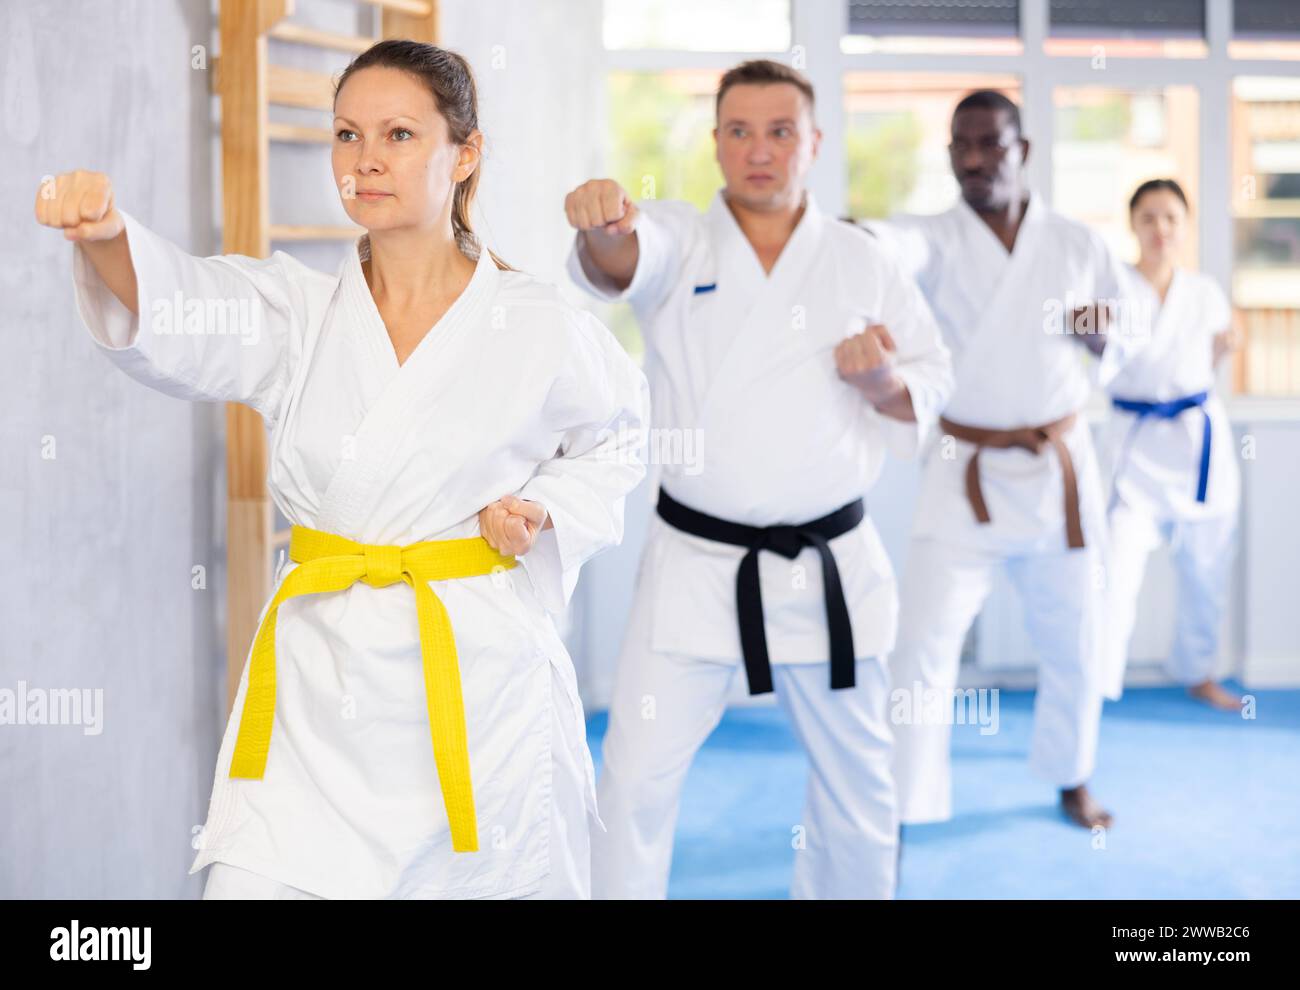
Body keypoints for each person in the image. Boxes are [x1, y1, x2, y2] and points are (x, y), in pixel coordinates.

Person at [38, 40, 649, 899]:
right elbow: (185, 309)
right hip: (317, 692)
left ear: (464, 153)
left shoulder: (536, 321)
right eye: (345, 134)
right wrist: (107, 237)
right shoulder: (300, 310)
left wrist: (544, 509)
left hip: (476, 686)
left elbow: (620, 437)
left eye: (399, 135)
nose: (365, 160)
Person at [565, 59, 953, 899]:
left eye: (781, 131)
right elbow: (622, 257)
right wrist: (602, 227)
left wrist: (884, 386)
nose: (760, 150)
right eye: (739, 131)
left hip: (829, 571)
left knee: (860, 794)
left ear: (814, 143)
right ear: (716, 144)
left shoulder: (862, 259)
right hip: (696, 566)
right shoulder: (678, 237)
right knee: (631, 782)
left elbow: (934, 373)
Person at [864, 90, 1135, 831]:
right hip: (964, 467)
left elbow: (1126, 333)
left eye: (991, 144)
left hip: (1058, 470)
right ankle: (905, 802)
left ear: (1026, 150)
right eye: (961, 146)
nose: (975, 160)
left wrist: (1103, 334)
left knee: (1077, 641)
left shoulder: (1079, 243)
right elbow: (892, 244)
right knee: (920, 643)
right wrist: (852, 236)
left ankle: (1071, 775)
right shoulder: (937, 237)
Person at [1100, 179, 1242, 711]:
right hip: (1134, 448)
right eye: (1149, 218)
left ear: (1186, 226)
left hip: (1198, 448)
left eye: (1171, 218)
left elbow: (1208, 359)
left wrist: (1225, 350)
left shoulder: (1204, 291)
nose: (1160, 229)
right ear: (1133, 224)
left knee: (1206, 572)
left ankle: (1200, 672)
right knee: (1113, 573)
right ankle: (1098, 683)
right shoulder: (1111, 288)